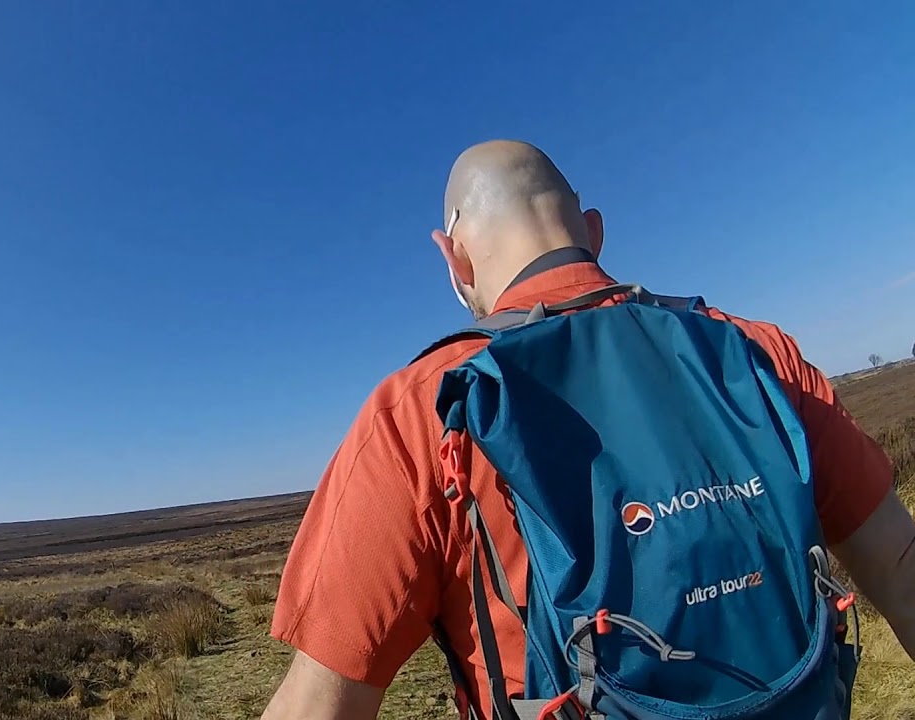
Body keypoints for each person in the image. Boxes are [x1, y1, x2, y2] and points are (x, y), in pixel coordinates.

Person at [260, 140, 915, 720]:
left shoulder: (422, 409)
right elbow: (896, 562)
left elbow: (320, 704)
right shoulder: (756, 352)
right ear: (593, 231)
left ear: (455, 260)